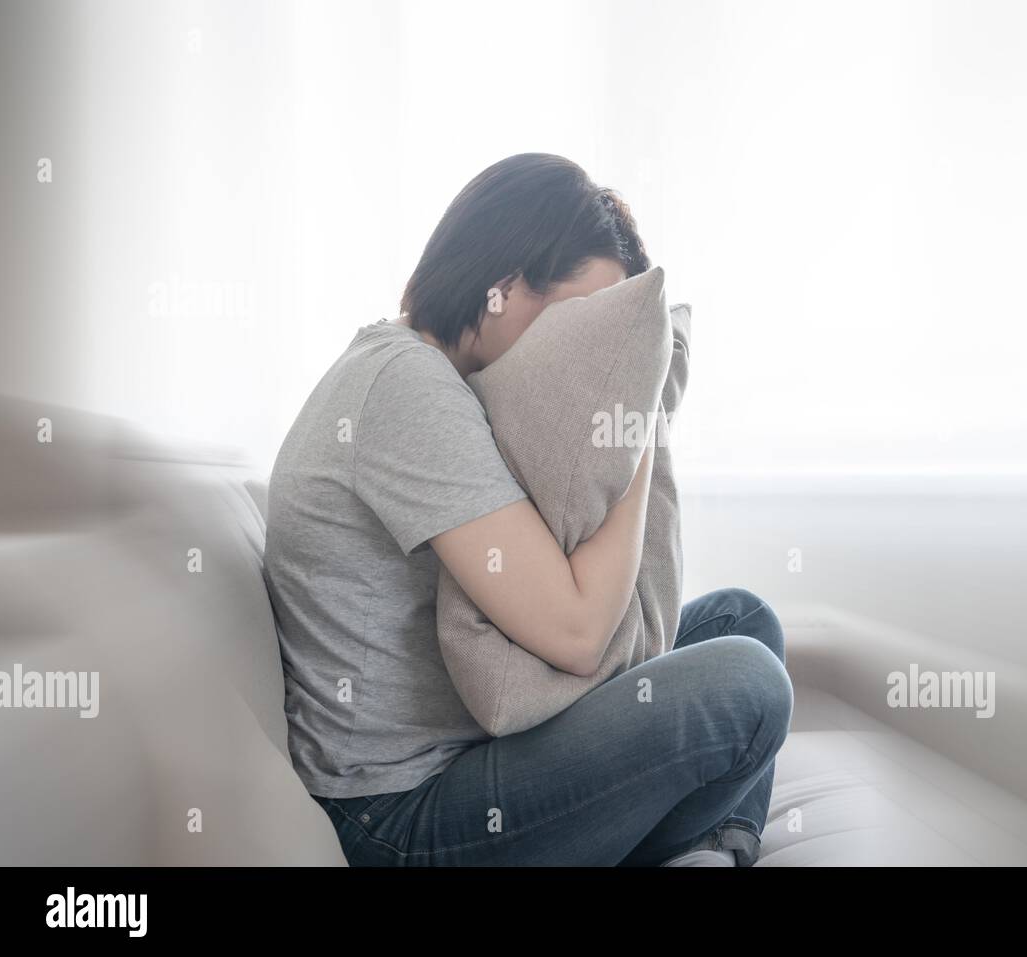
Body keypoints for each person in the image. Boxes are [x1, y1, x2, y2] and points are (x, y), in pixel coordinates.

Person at [263, 153, 793, 866]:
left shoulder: (437, 376)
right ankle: (703, 844)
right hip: (398, 818)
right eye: (579, 320)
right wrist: (628, 416)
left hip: (469, 757)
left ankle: (715, 848)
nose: (590, 351)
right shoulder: (404, 386)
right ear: (504, 287)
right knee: (747, 685)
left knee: (742, 619)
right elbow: (575, 631)